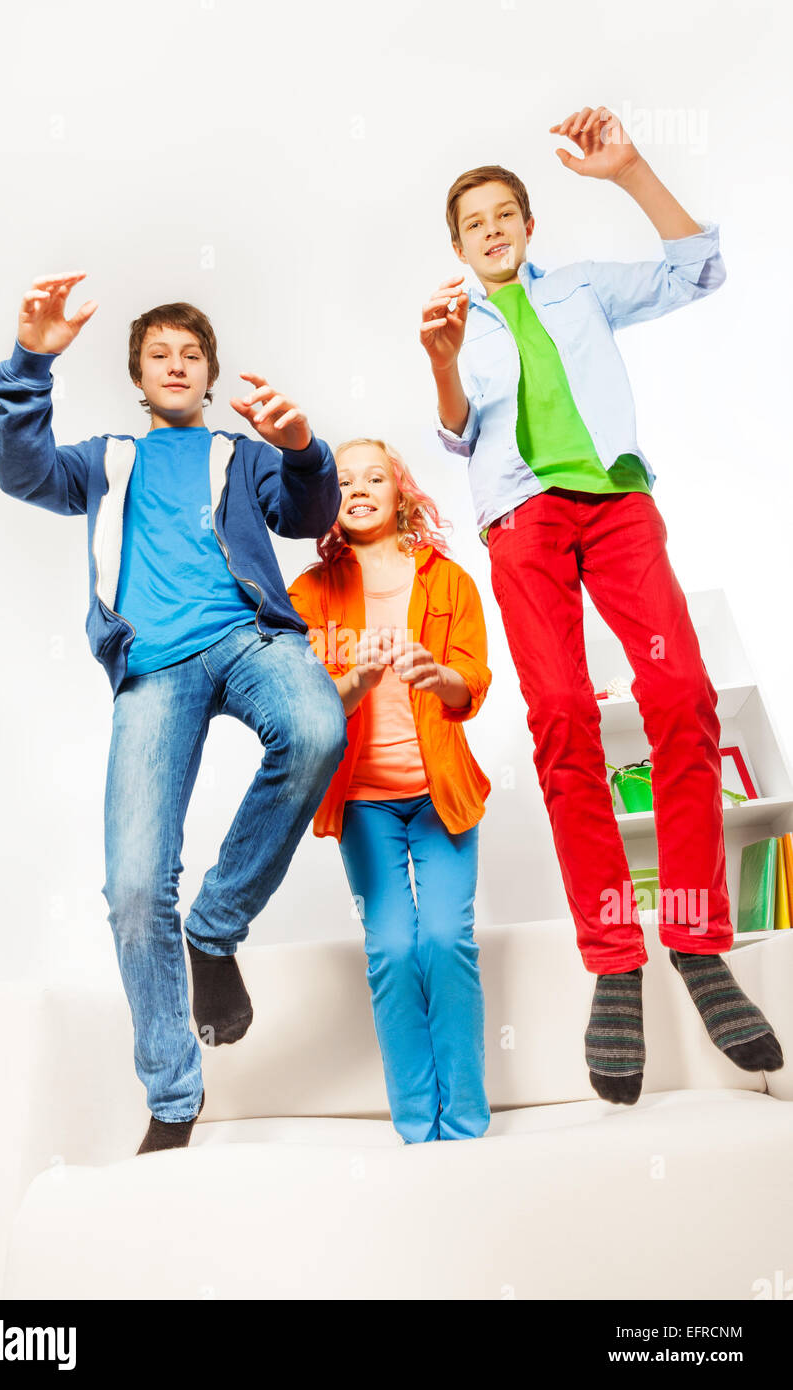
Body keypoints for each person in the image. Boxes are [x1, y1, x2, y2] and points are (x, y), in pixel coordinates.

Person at [420, 105, 784, 1104]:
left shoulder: (580, 289)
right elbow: (454, 431)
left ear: (530, 227)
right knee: (565, 719)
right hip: (523, 523)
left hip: (616, 504)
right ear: (458, 245)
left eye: (506, 215)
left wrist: (629, 170)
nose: (491, 230)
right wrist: (443, 358)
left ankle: (698, 941)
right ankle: (614, 957)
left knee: (680, 697)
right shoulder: (460, 319)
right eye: (473, 223)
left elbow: (697, 268)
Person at [0, 272, 348, 1154]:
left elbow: (309, 513)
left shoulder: (240, 452)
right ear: (138, 378)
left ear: (211, 374)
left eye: (193, 355)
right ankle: (173, 1097)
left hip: (249, 639)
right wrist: (30, 360)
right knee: (135, 889)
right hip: (154, 667)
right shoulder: (105, 460)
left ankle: (216, 929)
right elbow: (20, 471)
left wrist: (303, 450)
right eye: (160, 355)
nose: (177, 365)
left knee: (316, 728)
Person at [288, 437, 492, 1143]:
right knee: (393, 950)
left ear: (401, 491)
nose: (361, 488)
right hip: (365, 802)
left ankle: (464, 1126)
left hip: (443, 798)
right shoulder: (309, 594)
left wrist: (441, 677)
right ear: (325, 498)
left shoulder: (450, 581)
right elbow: (303, 709)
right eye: (344, 480)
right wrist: (356, 682)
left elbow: (475, 681)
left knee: (444, 939)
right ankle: (417, 1127)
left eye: (377, 476)